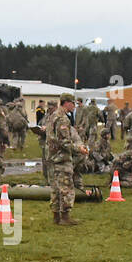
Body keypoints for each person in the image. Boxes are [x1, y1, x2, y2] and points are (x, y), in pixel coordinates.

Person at [44, 94, 87, 225]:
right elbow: (65, 142)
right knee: (66, 187)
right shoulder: (62, 119)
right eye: (72, 103)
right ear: (66, 103)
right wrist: (79, 149)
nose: (74, 105)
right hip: (61, 157)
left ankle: (56, 216)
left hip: (52, 156)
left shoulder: (53, 116)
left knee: (55, 187)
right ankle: (65, 217)